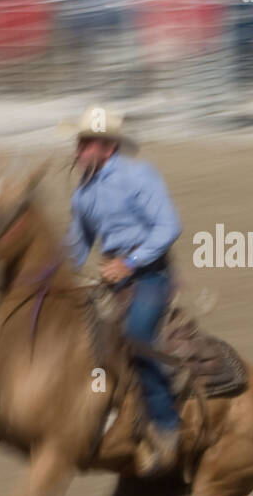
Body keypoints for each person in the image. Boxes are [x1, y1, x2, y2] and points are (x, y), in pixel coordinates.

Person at [63, 107, 183, 476]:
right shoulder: (83, 191)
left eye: (86, 142)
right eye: (78, 142)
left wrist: (129, 264)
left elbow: (168, 226)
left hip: (151, 276)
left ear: (107, 145)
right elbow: (78, 245)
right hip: (112, 278)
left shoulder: (137, 175)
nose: (79, 149)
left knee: (135, 338)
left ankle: (167, 429)